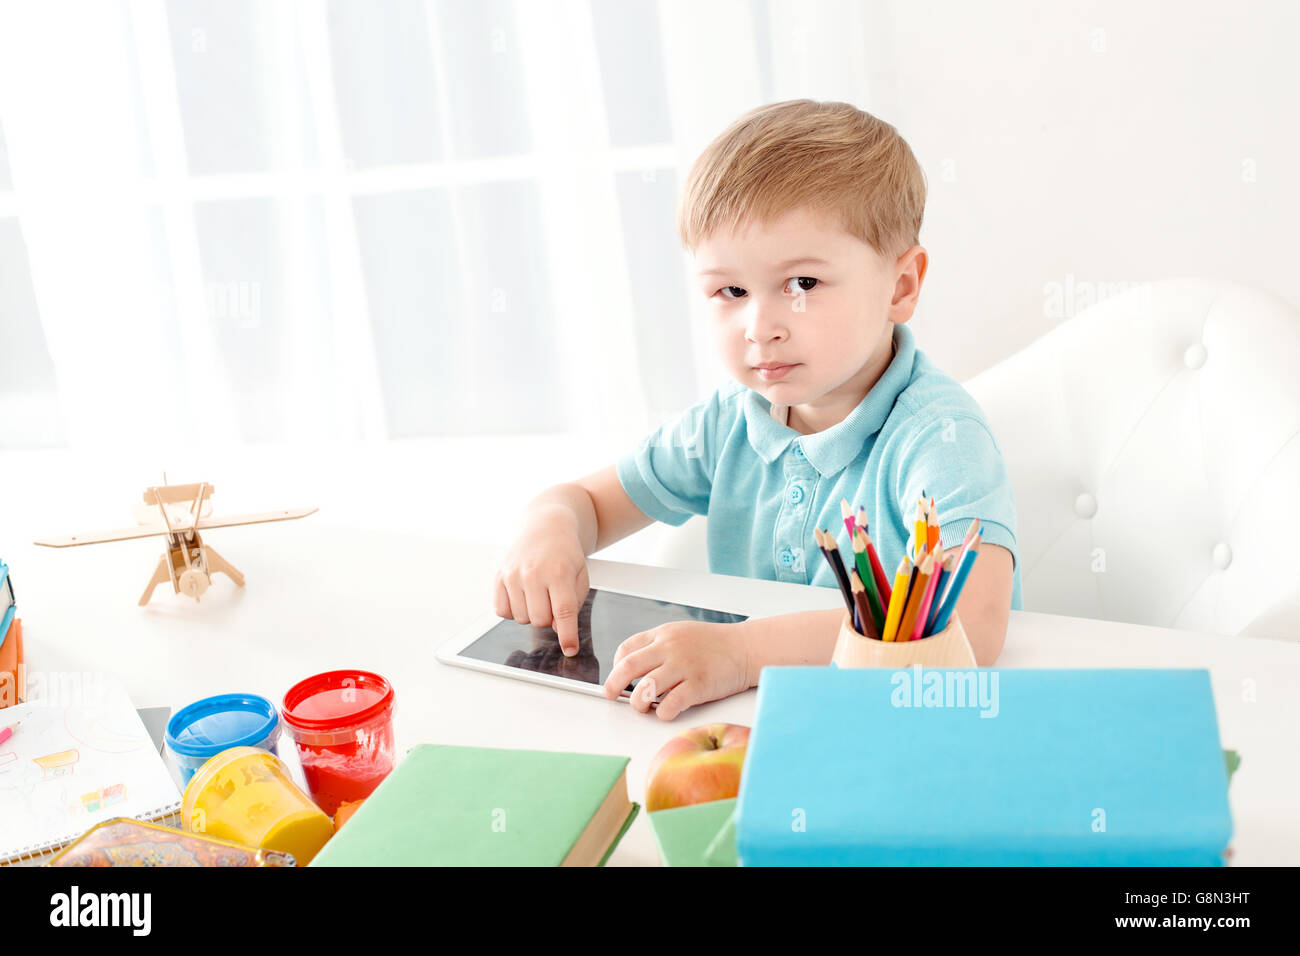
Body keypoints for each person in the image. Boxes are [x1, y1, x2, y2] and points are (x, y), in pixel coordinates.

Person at [492, 99, 1020, 720]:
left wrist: (742, 653)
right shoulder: (728, 422)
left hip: (901, 723)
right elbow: (586, 502)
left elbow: (973, 623)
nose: (760, 326)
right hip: (750, 720)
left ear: (900, 286)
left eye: (802, 285)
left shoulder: (939, 437)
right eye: (731, 290)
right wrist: (548, 525)